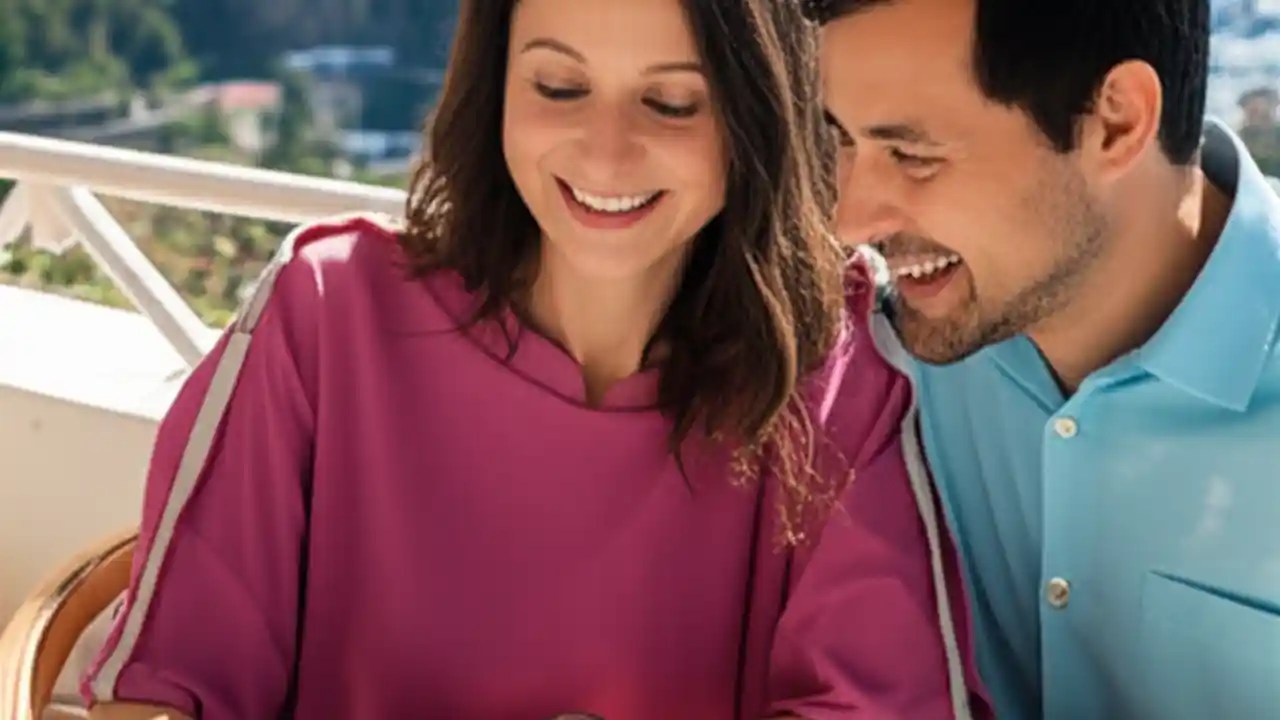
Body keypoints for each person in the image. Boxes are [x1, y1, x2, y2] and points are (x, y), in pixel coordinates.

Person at [80, 0, 986, 718]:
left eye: (671, 102)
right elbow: (168, 684)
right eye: (557, 87)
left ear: (757, 115)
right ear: (497, 85)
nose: (605, 151)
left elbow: (884, 703)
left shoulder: (836, 371)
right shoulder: (324, 314)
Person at [810, 0, 1280, 718]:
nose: (853, 220)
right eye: (841, 140)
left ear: (1115, 122)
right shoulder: (876, 361)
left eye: (913, 155)